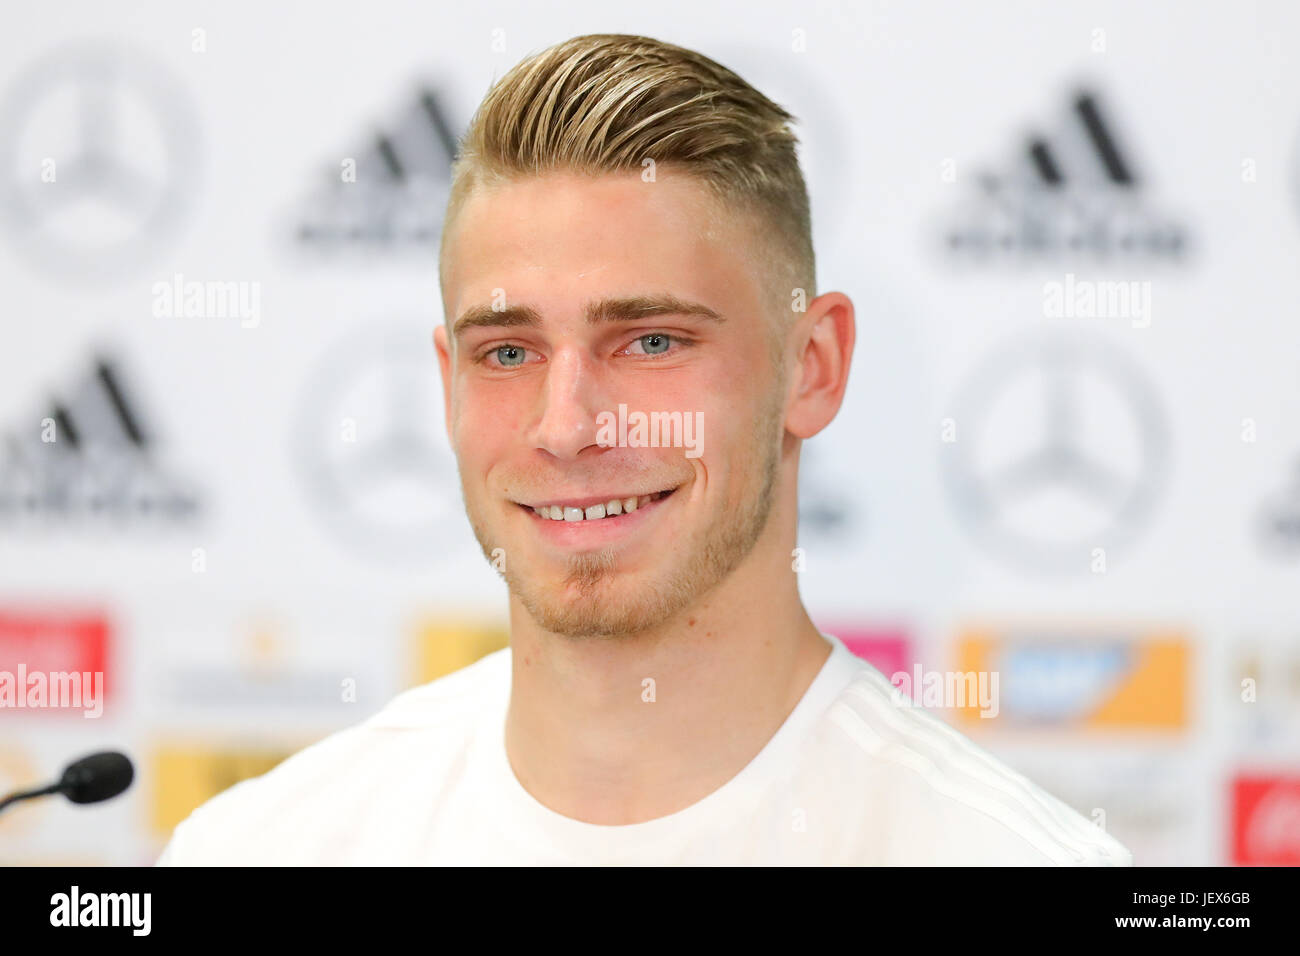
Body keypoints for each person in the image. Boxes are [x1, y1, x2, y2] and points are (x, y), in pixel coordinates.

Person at [157, 33, 1132, 865]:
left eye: (652, 340)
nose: (567, 425)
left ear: (812, 365)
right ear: (447, 378)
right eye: (506, 350)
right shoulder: (262, 847)